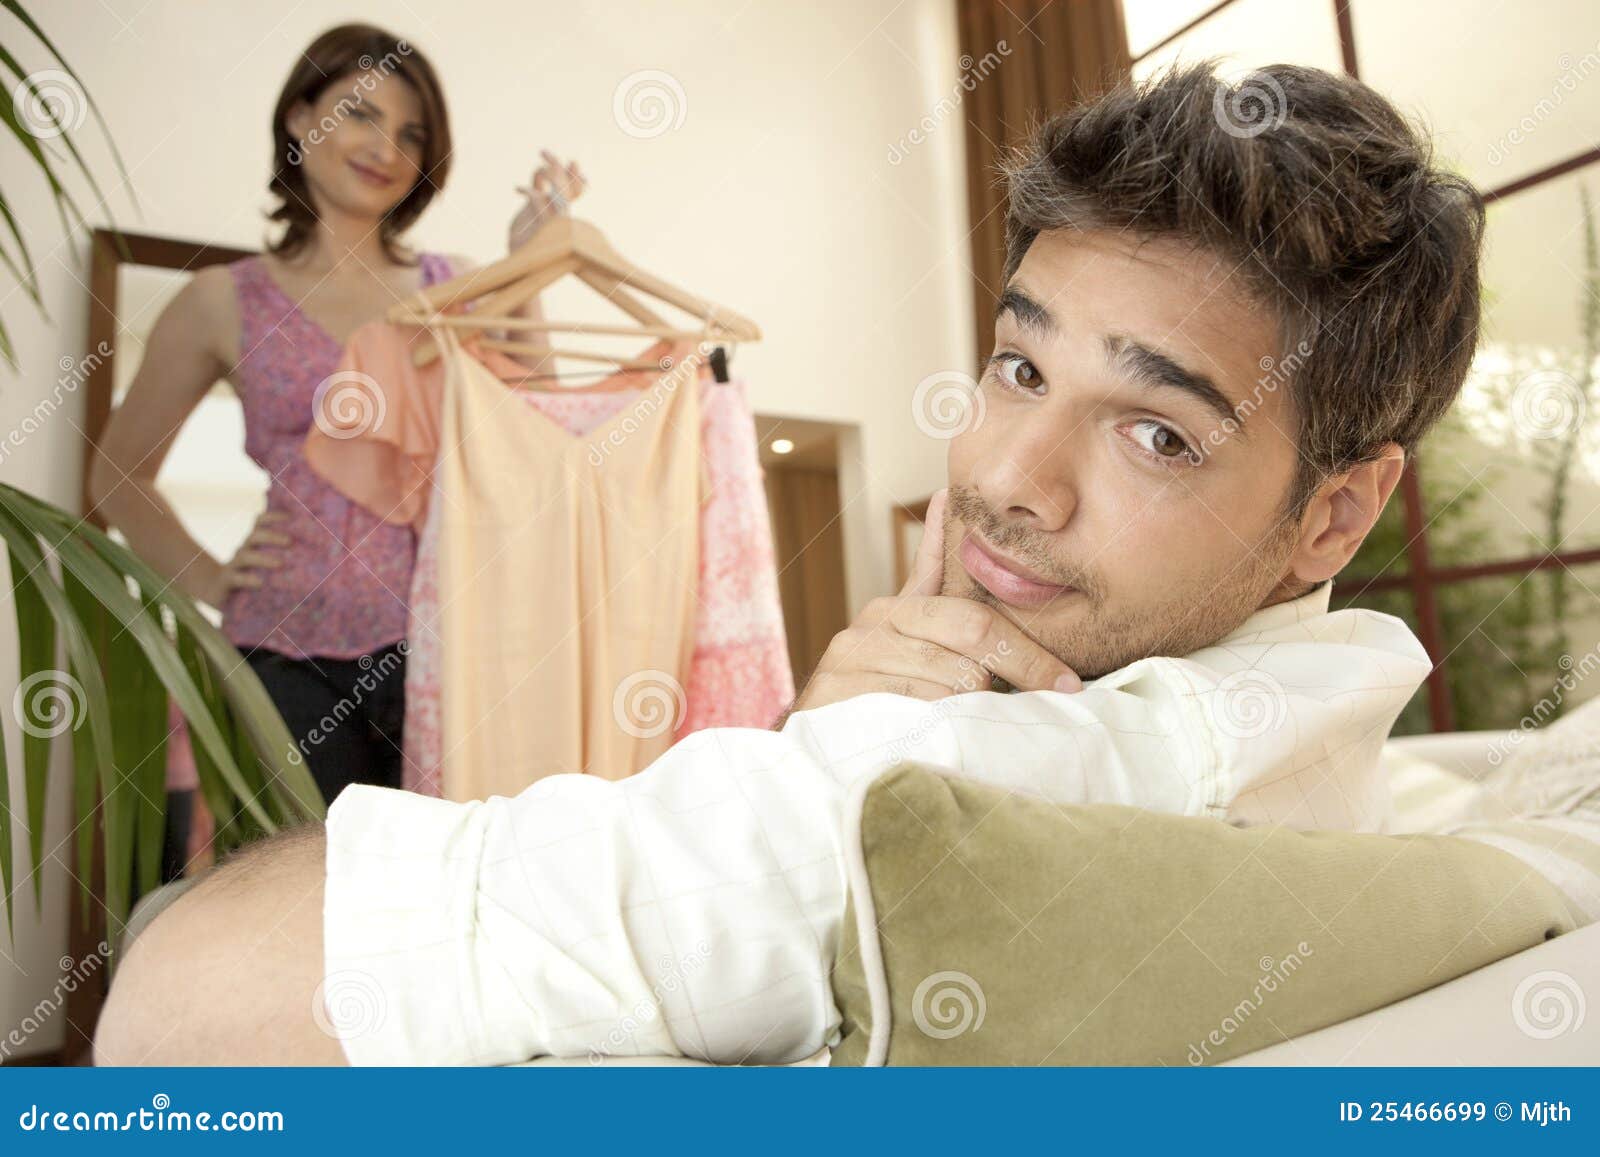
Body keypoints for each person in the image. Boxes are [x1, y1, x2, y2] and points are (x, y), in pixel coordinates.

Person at [94, 61, 1484, 1066]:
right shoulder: (1338, 697)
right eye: (1018, 366)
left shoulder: (977, 784)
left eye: (1157, 434)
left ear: (1335, 516)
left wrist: (837, 761)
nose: (1006, 477)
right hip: (296, 634)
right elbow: (124, 472)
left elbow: (174, 1002)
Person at [87, 23, 586, 805]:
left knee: (439, 871)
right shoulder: (222, 301)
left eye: (411, 133)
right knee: (302, 876)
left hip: (449, 644)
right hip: (283, 659)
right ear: (299, 117)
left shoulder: (456, 286)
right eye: (360, 113)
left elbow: (543, 429)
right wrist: (212, 575)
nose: (387, 147)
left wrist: (529, 265)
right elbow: (118, 475)